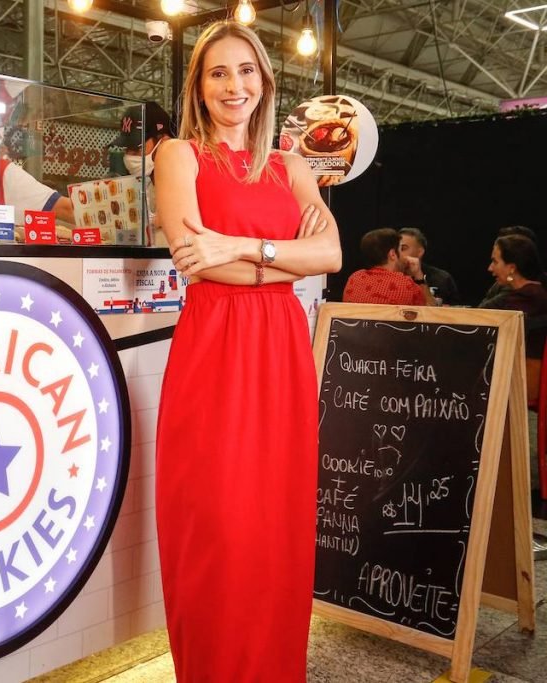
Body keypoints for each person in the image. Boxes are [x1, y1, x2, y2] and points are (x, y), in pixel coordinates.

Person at [153, 21, 341, 682]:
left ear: (265, 81)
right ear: (198, 87)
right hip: (214, 349)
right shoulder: (177, 156)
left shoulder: (290, 164)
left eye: (246, 71)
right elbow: (193, 263)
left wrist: (237, 246)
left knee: (275, 529)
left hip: (281, 351)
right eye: (218, 73)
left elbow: (332, 254)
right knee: (219, 530)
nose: (235, 86)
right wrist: (283, 262)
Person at [479, 234, 547, 369]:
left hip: (527, 374)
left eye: (495, 261)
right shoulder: (530, 293)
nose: (490, 268)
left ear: (511, 268)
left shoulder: (528, 298)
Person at [111, 102, 174, 246]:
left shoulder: (188, 181)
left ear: (164, 141)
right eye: (127, 148)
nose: (129, 156)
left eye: (137, 148)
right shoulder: (140, 186)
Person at [342, 228, 436, 305]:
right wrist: (419, 276)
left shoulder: (354, 278)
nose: (404, 256)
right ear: (392, 254)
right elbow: (431, 312)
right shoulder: (407, 285)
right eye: (401, 249)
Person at [398, 227, 459, 305]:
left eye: (403, 248)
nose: (398, 253)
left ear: (420, 252)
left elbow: (453, 312)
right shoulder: (388, 276)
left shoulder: (441, 278)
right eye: (396, 249)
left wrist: (419, 277)